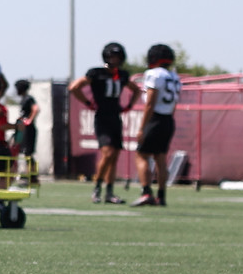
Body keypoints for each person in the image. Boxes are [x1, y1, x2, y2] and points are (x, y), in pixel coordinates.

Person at [69, 43, 136, 204]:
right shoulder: (97, 73)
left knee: (114, 157)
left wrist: (129, 106)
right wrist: (87, 102)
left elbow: (137, 90)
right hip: (102, 118)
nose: (115, 60)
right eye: (113, 56)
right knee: (107, 154)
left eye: (118, 57)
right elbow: (74, 87)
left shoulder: (123, 75)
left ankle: (109, 192)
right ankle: (97, 189)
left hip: (115, 118)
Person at [134, 44, 181, 207]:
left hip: (155, 118)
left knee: (141, 155)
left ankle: (146, 192)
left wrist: (142, 127)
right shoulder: (174, 76)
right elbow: (174, 103)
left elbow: (150, 103)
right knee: (160, 158)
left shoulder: (153, 74)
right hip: (168, 119)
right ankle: (161, 196)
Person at [11, 78, 40, 184]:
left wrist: (29, 120)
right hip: (22, 129)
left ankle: (33, 177)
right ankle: (27, 176)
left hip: (28, 130)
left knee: (28, 153)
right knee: (21, 151)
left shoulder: (28, 98)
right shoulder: (23, 99)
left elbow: (36, 109)